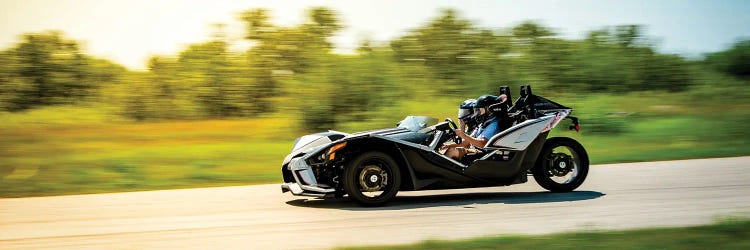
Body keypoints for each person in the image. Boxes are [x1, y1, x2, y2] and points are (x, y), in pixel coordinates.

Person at [442, 94, 507, 161]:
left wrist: (463, 135)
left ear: (488, 110)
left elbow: (483, 144)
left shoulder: (493, 125)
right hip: (474, 149)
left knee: (452, 151)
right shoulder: (483, 123)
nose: (478, 113)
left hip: (483, 154)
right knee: (446, 148)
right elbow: (466, 142)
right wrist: (449, 145)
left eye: (480, 110)